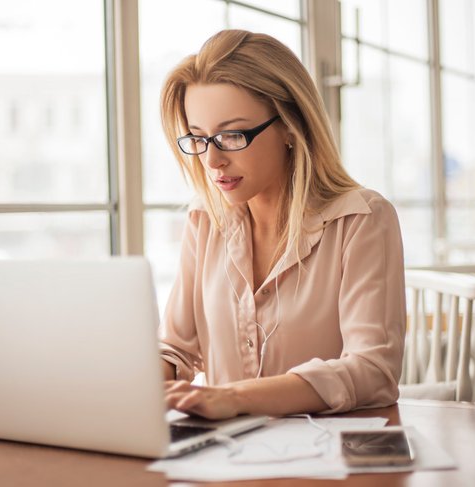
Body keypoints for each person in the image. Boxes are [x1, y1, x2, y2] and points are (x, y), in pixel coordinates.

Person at [158, 30, 405, 420]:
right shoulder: (205, 220)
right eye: (200, 138)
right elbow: (175, 347)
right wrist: (138, 383)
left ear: (291, 126)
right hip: (225, 459)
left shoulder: (361, 220)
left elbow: (373, 371)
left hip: (325, 461)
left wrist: (236, 397)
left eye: (232, 135)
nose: (213, 161)